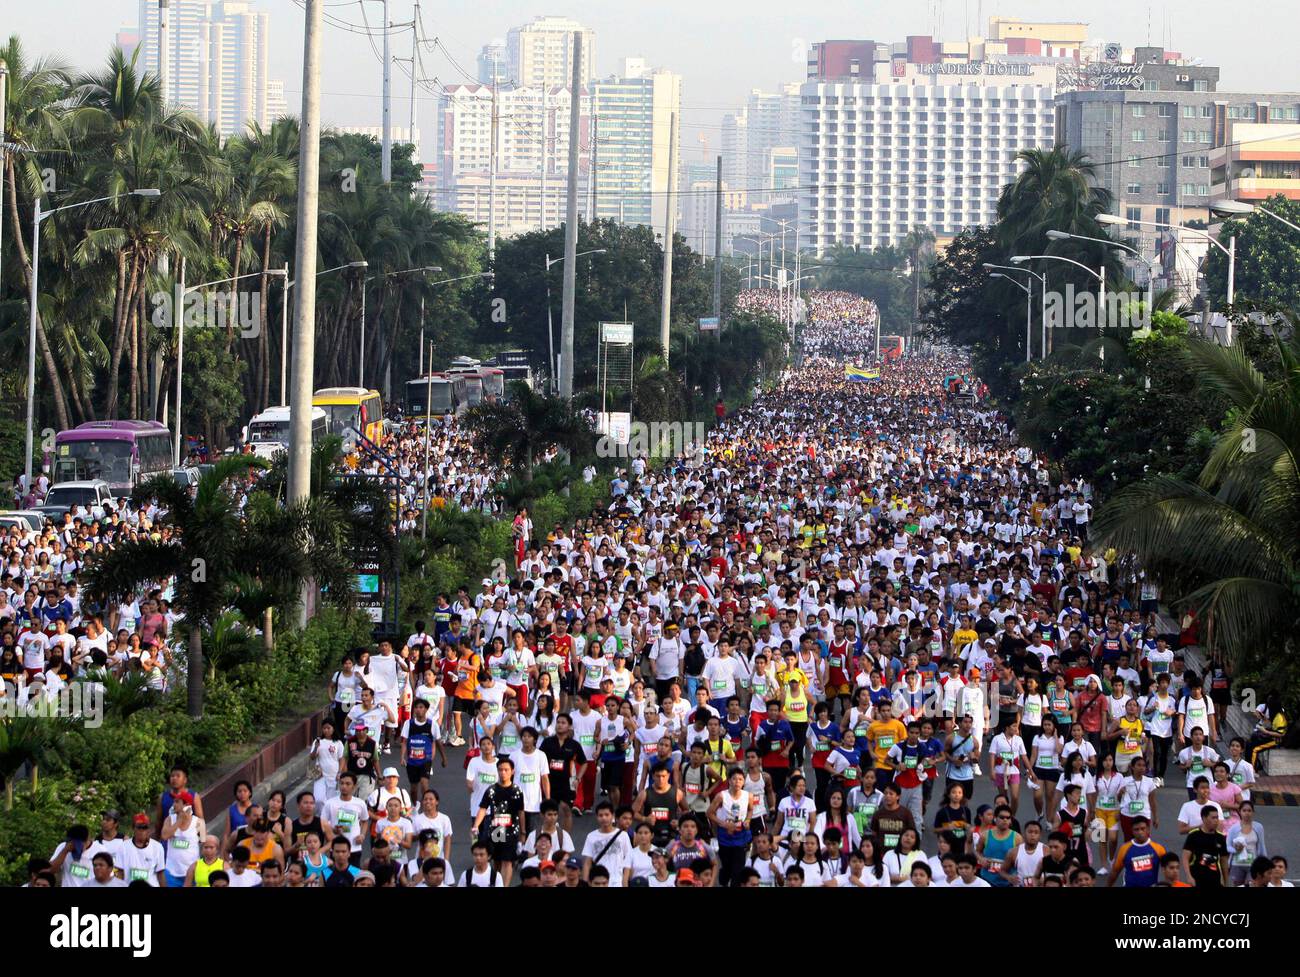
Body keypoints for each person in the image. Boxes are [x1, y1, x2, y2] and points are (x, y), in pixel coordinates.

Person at [472, 757, 525, 887]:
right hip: (496, 830)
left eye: (506, 770)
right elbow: (483, 808)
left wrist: (523, 832)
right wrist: (476, 826)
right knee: (497, 860)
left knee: (507, 861)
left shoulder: (516, 791)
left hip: (511, 830)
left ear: (512, 771)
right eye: (500, 770)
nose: (503, 773)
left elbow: (521, 812)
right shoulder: (491, 790)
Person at [1181, 805, 1229, 887]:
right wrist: (1189, 876)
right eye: (1213, 818)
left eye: (1217, 817)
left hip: (1215, 880)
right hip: (1197, 879)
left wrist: (1226, 882)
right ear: (1204, 818)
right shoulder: (1194, 835)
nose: (1216, 821)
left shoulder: (1220, 837)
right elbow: (1185, 857)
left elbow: (1224, 861)